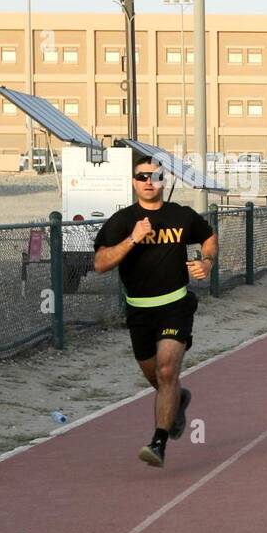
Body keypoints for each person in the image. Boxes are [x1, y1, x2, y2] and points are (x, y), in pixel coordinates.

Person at [92, 158, 218, 468]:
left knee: (166, 371)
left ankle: (158, 442)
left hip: (175, 305)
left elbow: (209, 236)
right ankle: (178, 400)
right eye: (142, 176)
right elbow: (100, 263)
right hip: (139, 312)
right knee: (160, 379)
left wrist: (207, 262)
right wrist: (134, 238)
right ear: (134, 181)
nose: (149, 181)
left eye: (155, 176)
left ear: (164, 180)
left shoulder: (182, 215)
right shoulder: (122, 221)